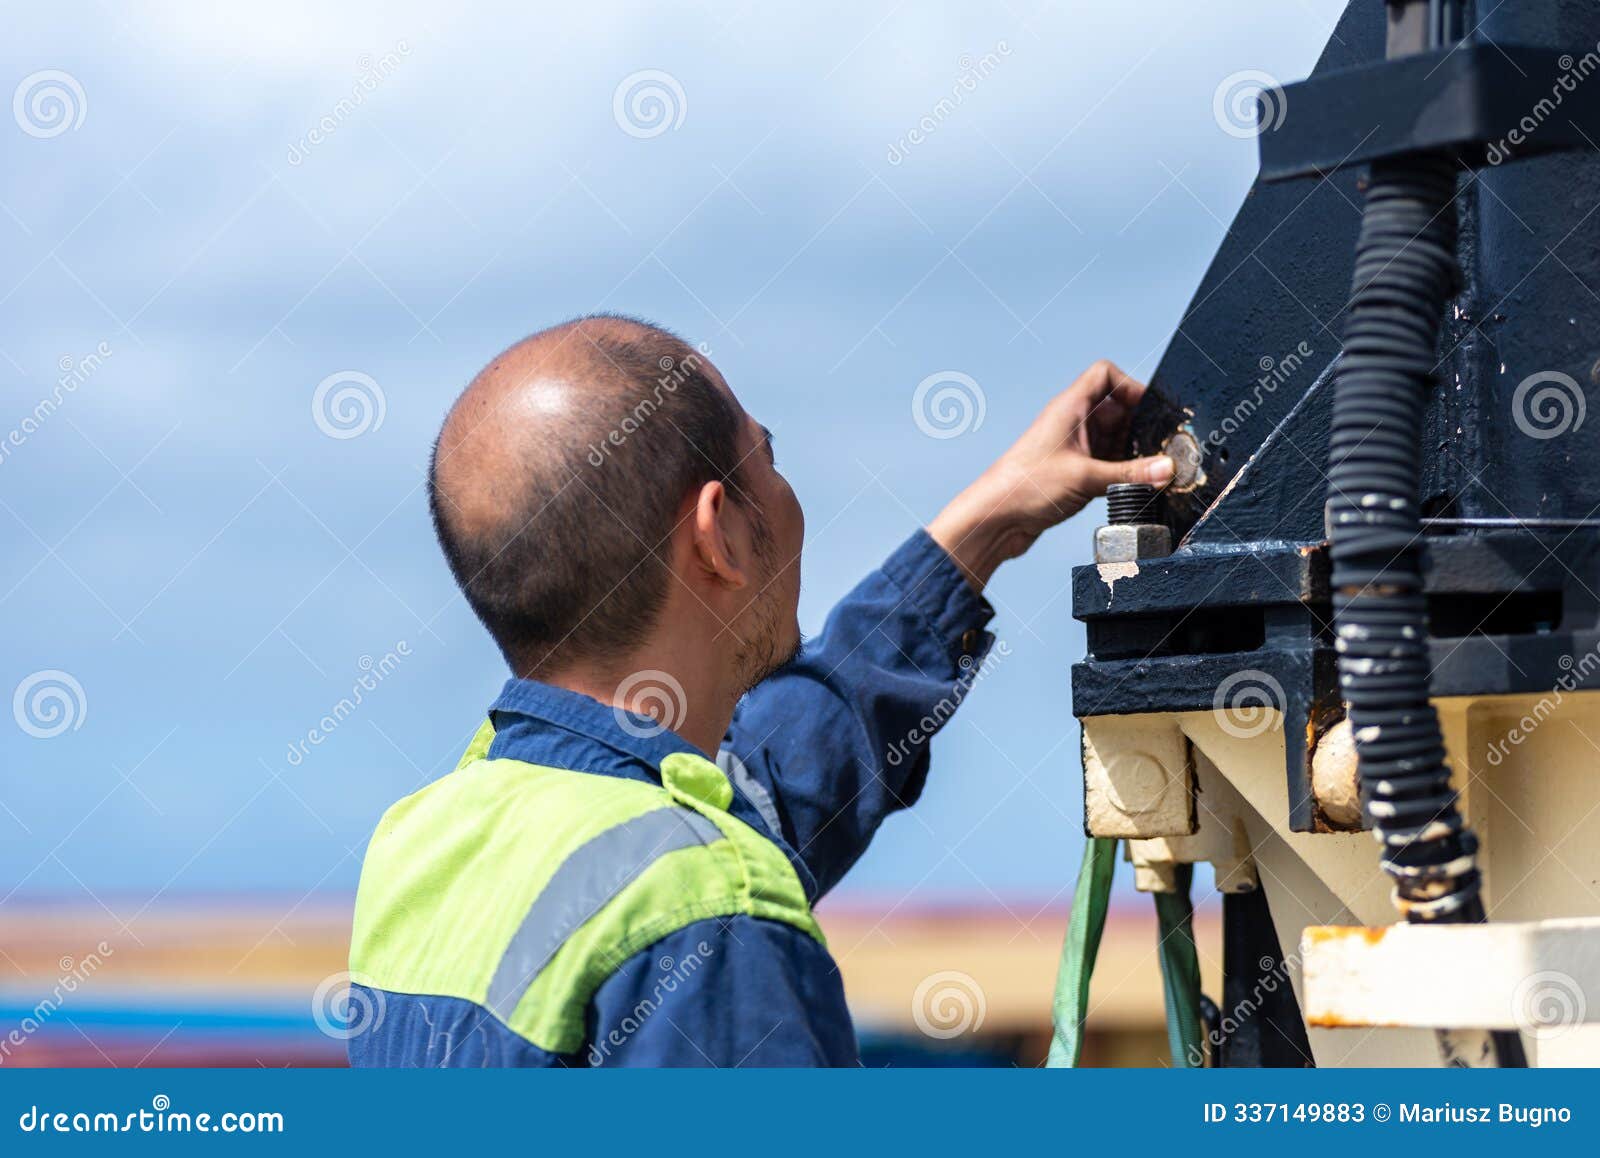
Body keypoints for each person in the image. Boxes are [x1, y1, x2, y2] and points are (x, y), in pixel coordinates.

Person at [346, 314, 1173, 1066]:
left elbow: (772, 781)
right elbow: (717, 864)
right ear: (717, 535)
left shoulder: (432, 839)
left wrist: (990, 522)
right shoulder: (709, 912)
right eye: (767, 456)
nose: (783, 486)